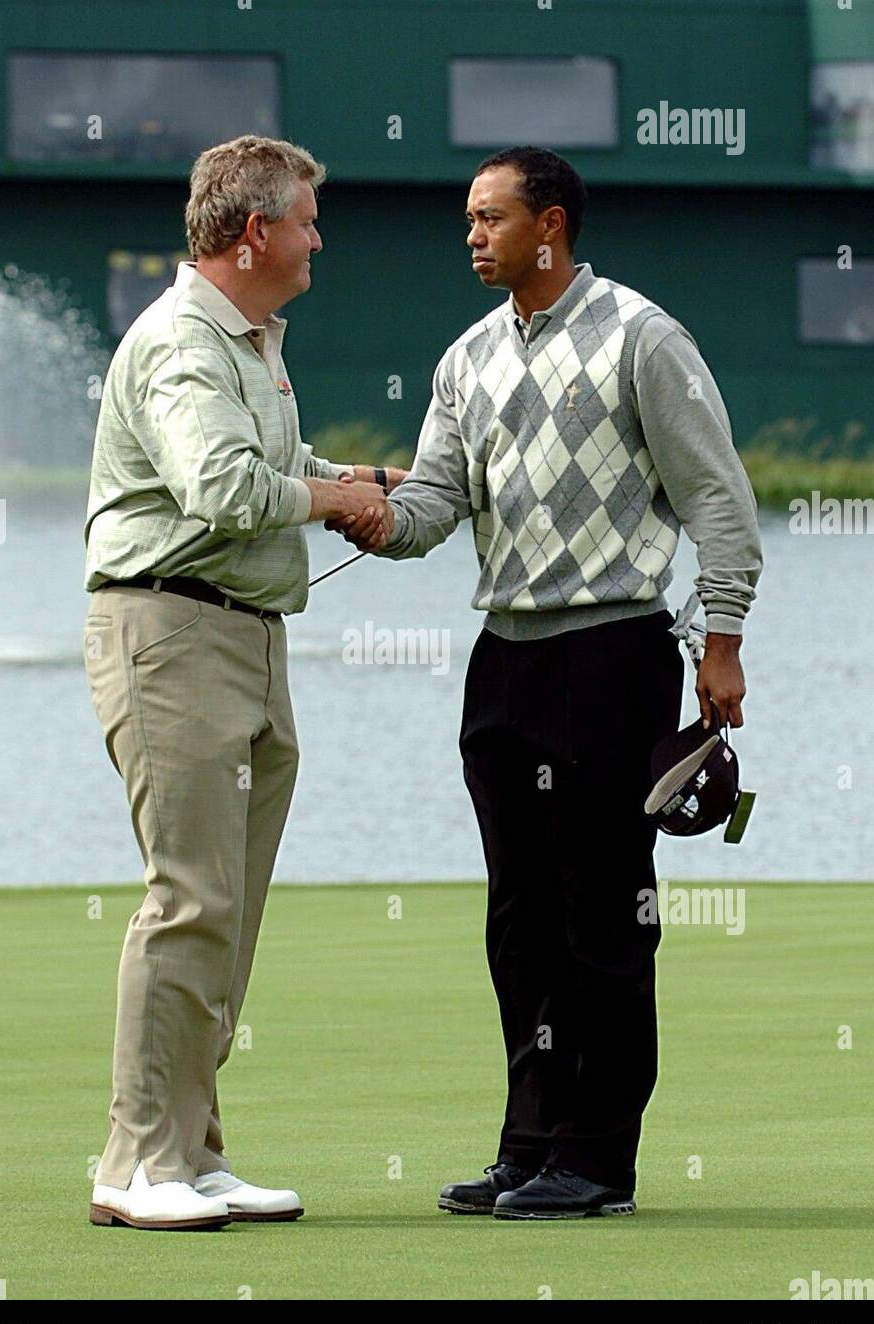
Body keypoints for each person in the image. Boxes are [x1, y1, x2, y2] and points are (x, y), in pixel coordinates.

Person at [335, 146, 763, 1220]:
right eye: (469, 218)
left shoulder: (641, 337)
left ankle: (598, 1156)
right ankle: (529, 1144)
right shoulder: (466, 357)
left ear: (551, 226)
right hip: (506, 660)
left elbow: (718, 499)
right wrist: (363, 506)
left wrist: (722, 639)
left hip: (614, 652)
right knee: (518, 916)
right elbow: (433, 506)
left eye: (490, 217)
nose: (471, 234)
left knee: (601, 912)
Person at [82, 135, 400, 1230]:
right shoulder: (183, 338)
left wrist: (367, 485)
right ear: (253, 230)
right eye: (306, 220)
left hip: (246, 636)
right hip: (171, 630)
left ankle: (194, 1151)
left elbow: (284, 467)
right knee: (190, 901)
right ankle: (136, 1167)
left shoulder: (255, 339)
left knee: (232, 909)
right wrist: (336, 503)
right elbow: (220, 485)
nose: (318, 239)